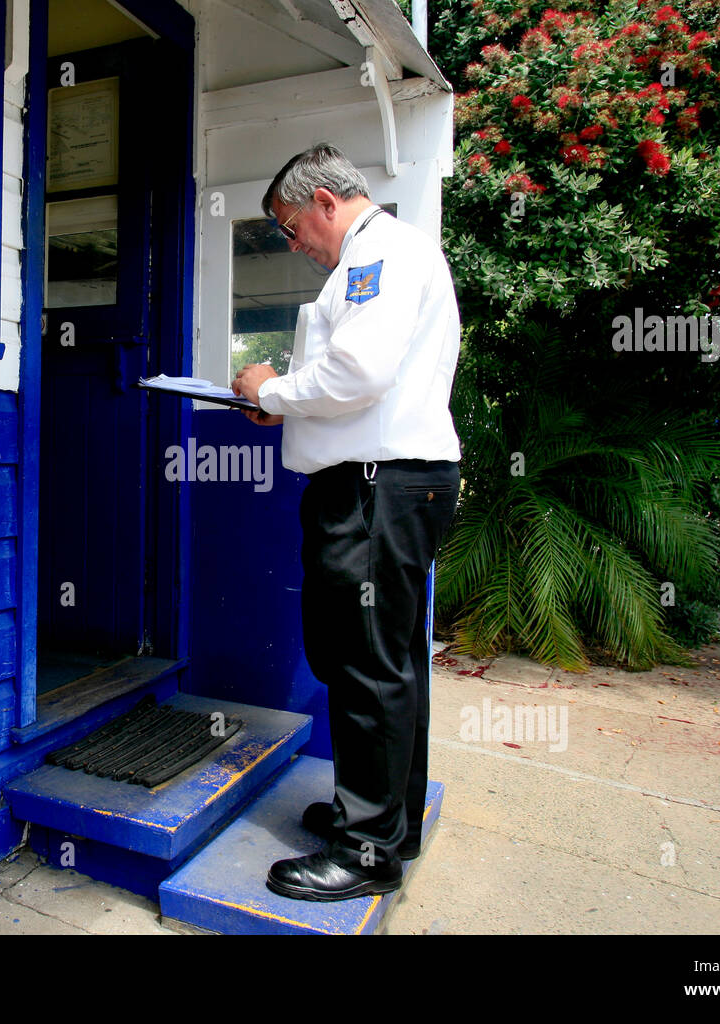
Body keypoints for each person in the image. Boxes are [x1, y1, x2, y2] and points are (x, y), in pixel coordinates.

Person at [231, 143, 462, 902]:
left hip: (376, 491)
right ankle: (385, 820)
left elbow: (359, 373)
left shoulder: (377, 258)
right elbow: (361, 383)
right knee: (385, 661)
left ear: (326, 202)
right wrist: (284, 405)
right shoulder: (387, 257)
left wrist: (274, 384)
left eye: (293, 228)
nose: (294, 245)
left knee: (364, 664)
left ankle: (366, 850)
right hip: (388, 486)